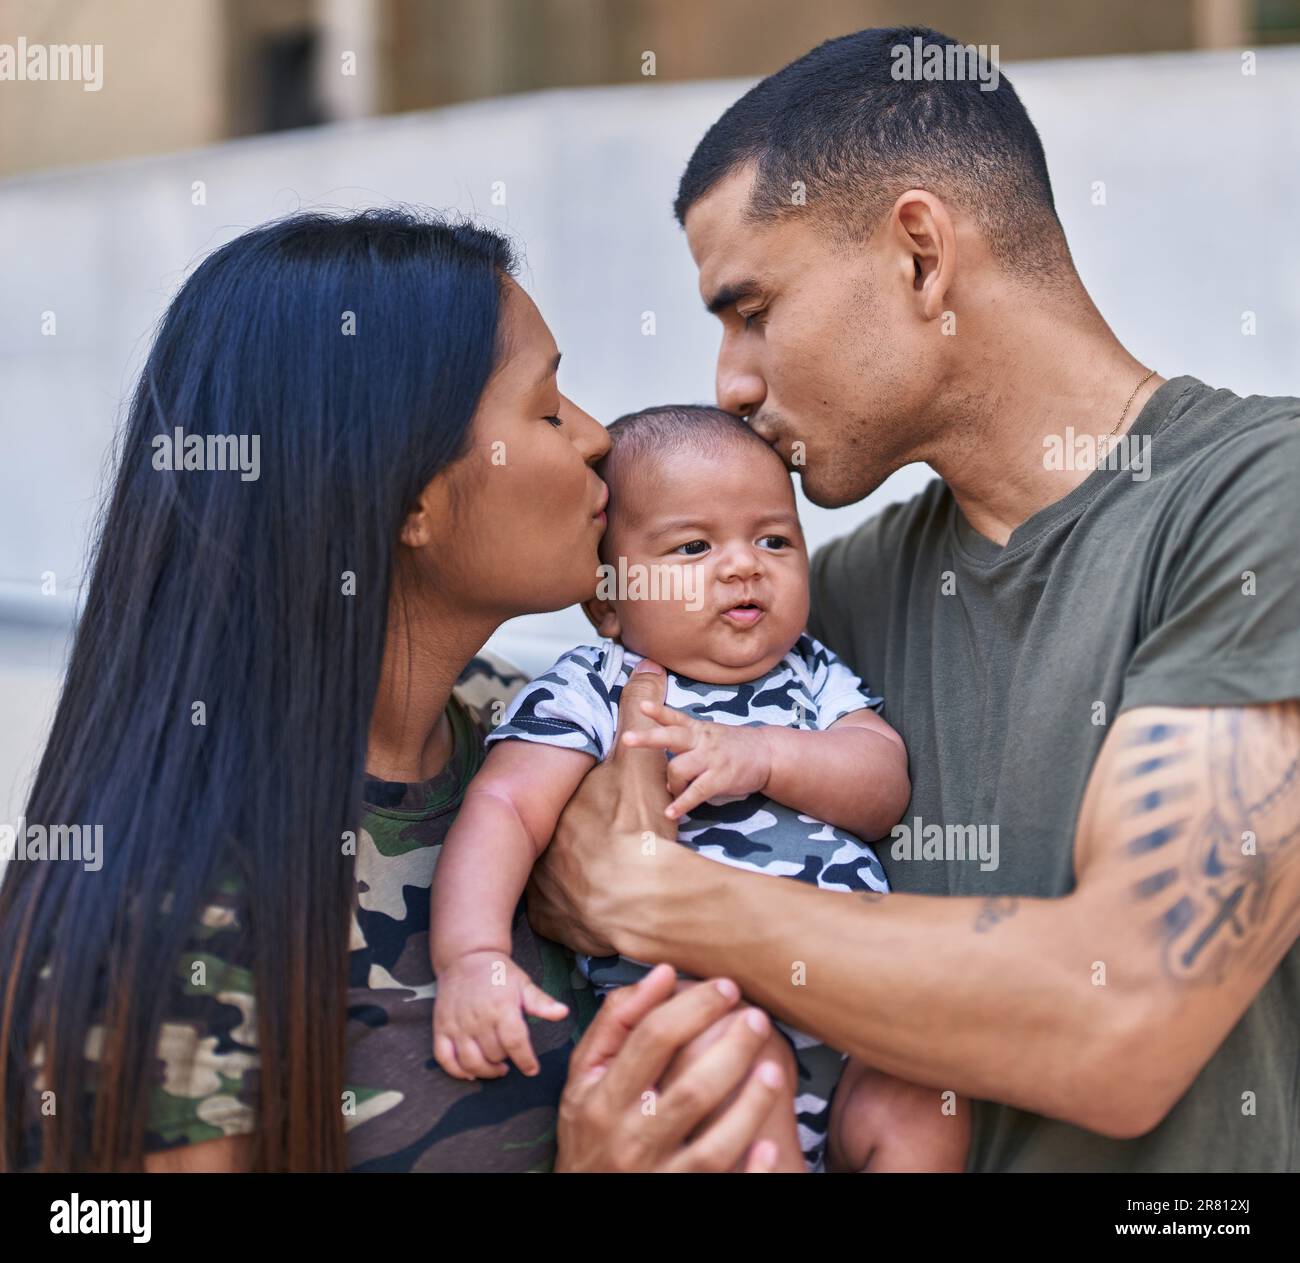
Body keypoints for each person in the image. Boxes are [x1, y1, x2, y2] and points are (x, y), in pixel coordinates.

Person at [527, 27, 1300, 1173]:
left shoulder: (1255, 503)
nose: (730, 385)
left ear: (921, 256)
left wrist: (650, 897)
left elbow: (1121, 1021)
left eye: (751, 311)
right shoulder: (815, 604)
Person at [0, 209, 786, 1173]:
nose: (594, 440)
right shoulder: (164, 922)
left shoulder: (532, 722)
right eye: (546, 410)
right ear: (410, 495)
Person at [430, 404, 968, 1171]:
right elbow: (505, 807)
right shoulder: (594, 685)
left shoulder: (811, 672)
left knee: (923, 1094)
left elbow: (882, 780)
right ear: (608, 601)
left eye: (774, 539)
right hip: (692, 1016)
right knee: (745, 1077)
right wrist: (473, 953)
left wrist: (766, 755)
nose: (744, 565)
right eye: (693, 546)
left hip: (849, 1002)